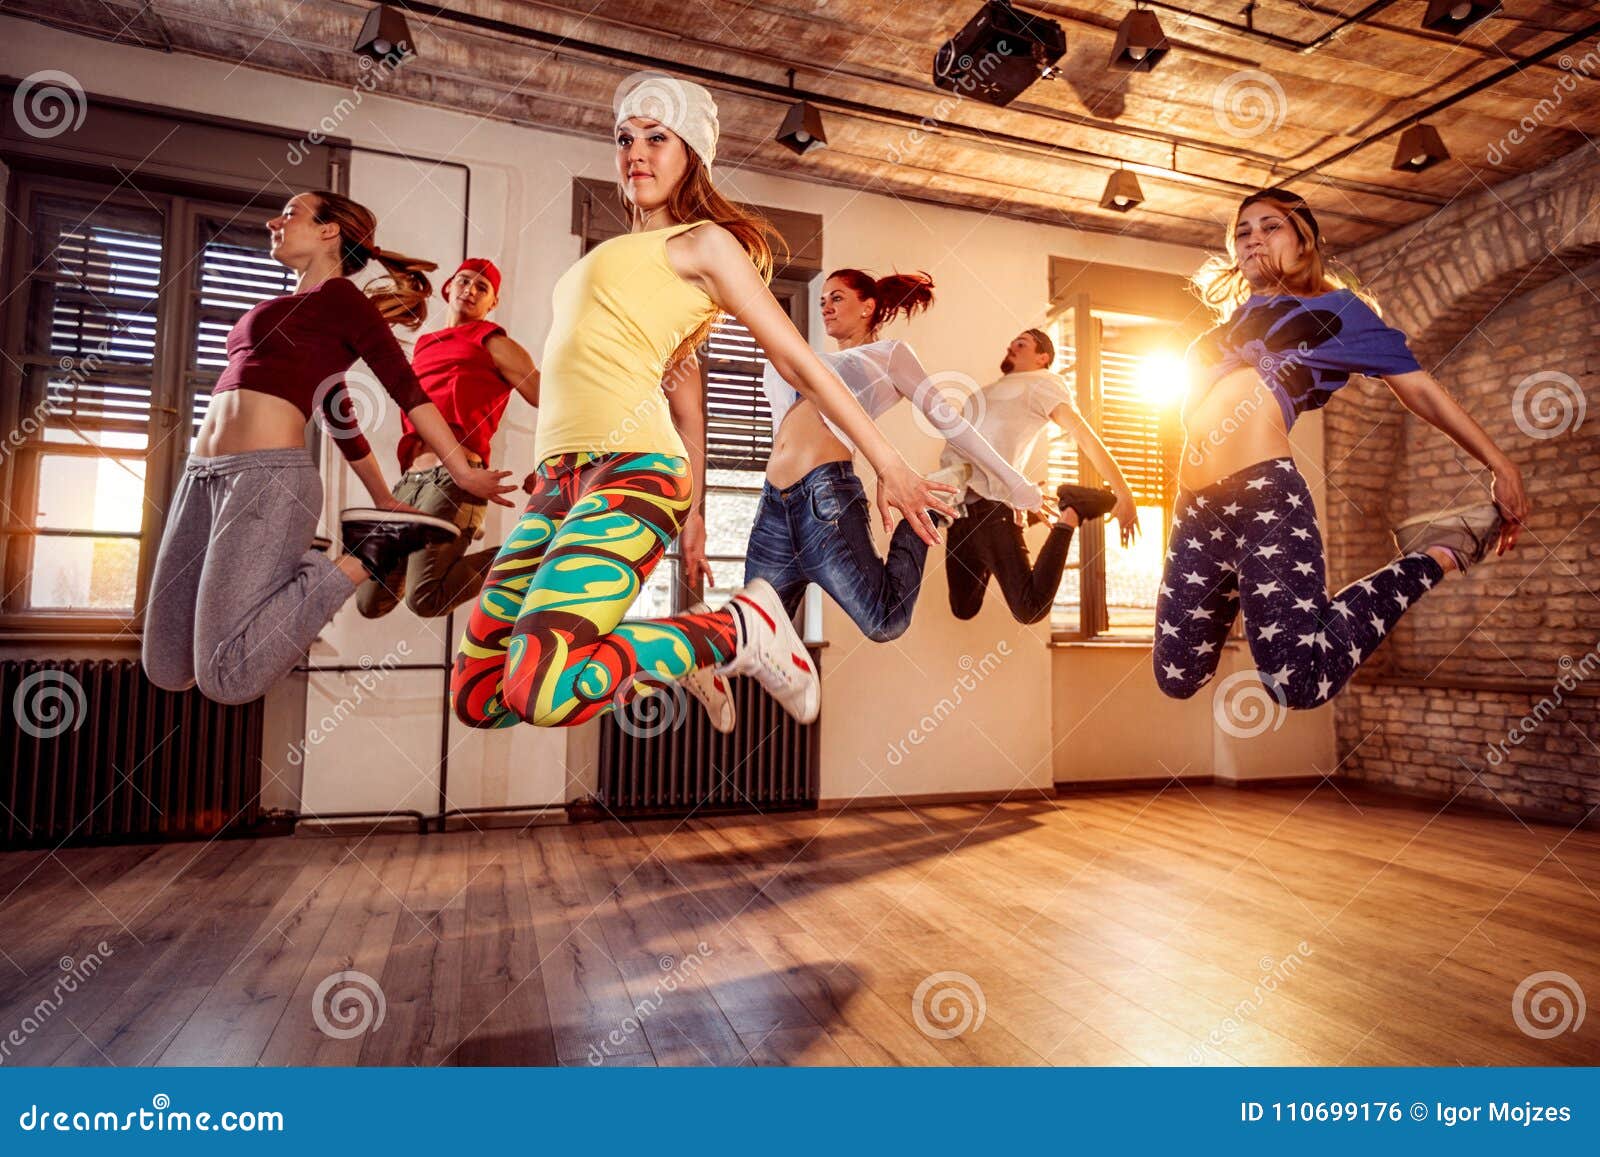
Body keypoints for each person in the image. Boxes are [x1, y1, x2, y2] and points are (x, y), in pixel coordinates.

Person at [450, 75, 956, 731]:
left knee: (544, 691)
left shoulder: (705, 245)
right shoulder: (617, 254)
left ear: (692, 151)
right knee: (482, 696)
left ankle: (742, 626)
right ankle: (661, 659)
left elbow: (797, 360)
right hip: (559, 479)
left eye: (657, 137)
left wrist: (890, 464)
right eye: (625, 138)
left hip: (633, 472)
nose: (636, 151)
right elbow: (676, 398)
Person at [1153, 188, 1530, 709]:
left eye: (1271, 227)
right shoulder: (1219, 331)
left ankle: (1440, 551)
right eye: (1243, 232)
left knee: (1297, 683)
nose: (1253, 239)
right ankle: (1258, 586)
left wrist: (1500, 462)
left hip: (1265, 497)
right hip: (1195, 509)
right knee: (1178, 675)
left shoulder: (1337, 311)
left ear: (1305, 241)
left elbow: (1420, 389)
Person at [142, 191, 516, 705]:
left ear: (328, 231)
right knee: (166, 664)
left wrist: (464, 473)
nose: (275, 222)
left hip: (266, 481)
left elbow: (408, 391)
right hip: (200, 479)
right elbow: (340, 416)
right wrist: (384, 497)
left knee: (228, 679)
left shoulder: (342, 300)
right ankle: (367, 538)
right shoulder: (282, 308)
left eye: (291, 213)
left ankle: (366, 555)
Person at [745, 268, 1035, 648]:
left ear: (868, 307)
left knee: (884, 621)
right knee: (752, 636)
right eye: (822, 302)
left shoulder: (887, 355)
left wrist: (1017, 484)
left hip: (825, 499)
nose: (826, 308)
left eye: (837, 298)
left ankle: (920, 521)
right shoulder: (803, 359)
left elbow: (951, 423)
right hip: (773, 505)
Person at [355, 258, 539, 619]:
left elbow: (548, 400)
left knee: (425, 599)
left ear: (493, 303)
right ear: (448, 287)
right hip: (410, 481)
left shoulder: (494, 342)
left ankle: (532, 551)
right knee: (369, 601)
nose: (470, 290)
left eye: (482, 288)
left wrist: (550, 466)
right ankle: (456, 538)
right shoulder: (423, 345)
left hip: (455, 477)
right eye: (464, 281)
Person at [940, 327, 1140, 624]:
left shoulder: (1043, 383)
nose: (1012, 347)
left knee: (1029, 609)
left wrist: (1124, 492)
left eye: (1021, 343)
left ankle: (1070, 510)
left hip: (992, 510)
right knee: (963, 609)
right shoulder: (979, 394)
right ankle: (1034, 511)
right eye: (1011, 342)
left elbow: (1084, 437)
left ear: (1042, 358)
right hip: (959, 513)